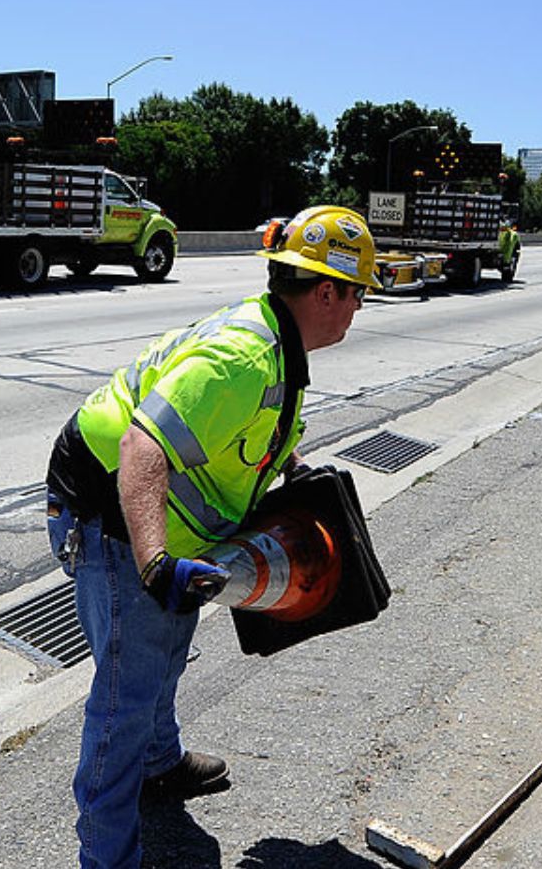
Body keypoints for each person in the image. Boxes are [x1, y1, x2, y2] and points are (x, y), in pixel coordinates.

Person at [43, 204, 377, 869]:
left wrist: (291, 469)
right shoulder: (245, 358)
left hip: (165, 516)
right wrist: (154, 562)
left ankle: (160, 765)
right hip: (115, 510)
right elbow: (142, 449)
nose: (358, 310)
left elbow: (248, 428)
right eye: (358, 295)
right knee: (126, 693)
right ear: (327, 290)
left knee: (169, 643)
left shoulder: (281, 343)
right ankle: (105, 857)